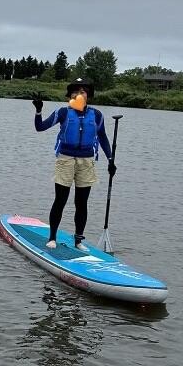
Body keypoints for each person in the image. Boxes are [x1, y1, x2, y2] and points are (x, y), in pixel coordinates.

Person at [32, 78, 116, 250]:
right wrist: (39, 111)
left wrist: (110, 160)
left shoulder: (97, 115)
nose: (79, 94)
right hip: (66, 160)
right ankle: (52, 238)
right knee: (60, 200)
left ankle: (78, 241)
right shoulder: (63, 112)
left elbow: (103, 139)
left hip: (86, 161)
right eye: (75, 92)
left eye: (83, 91)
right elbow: (40, 127)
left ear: (88, 96)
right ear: (70, 96)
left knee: (81, 203)